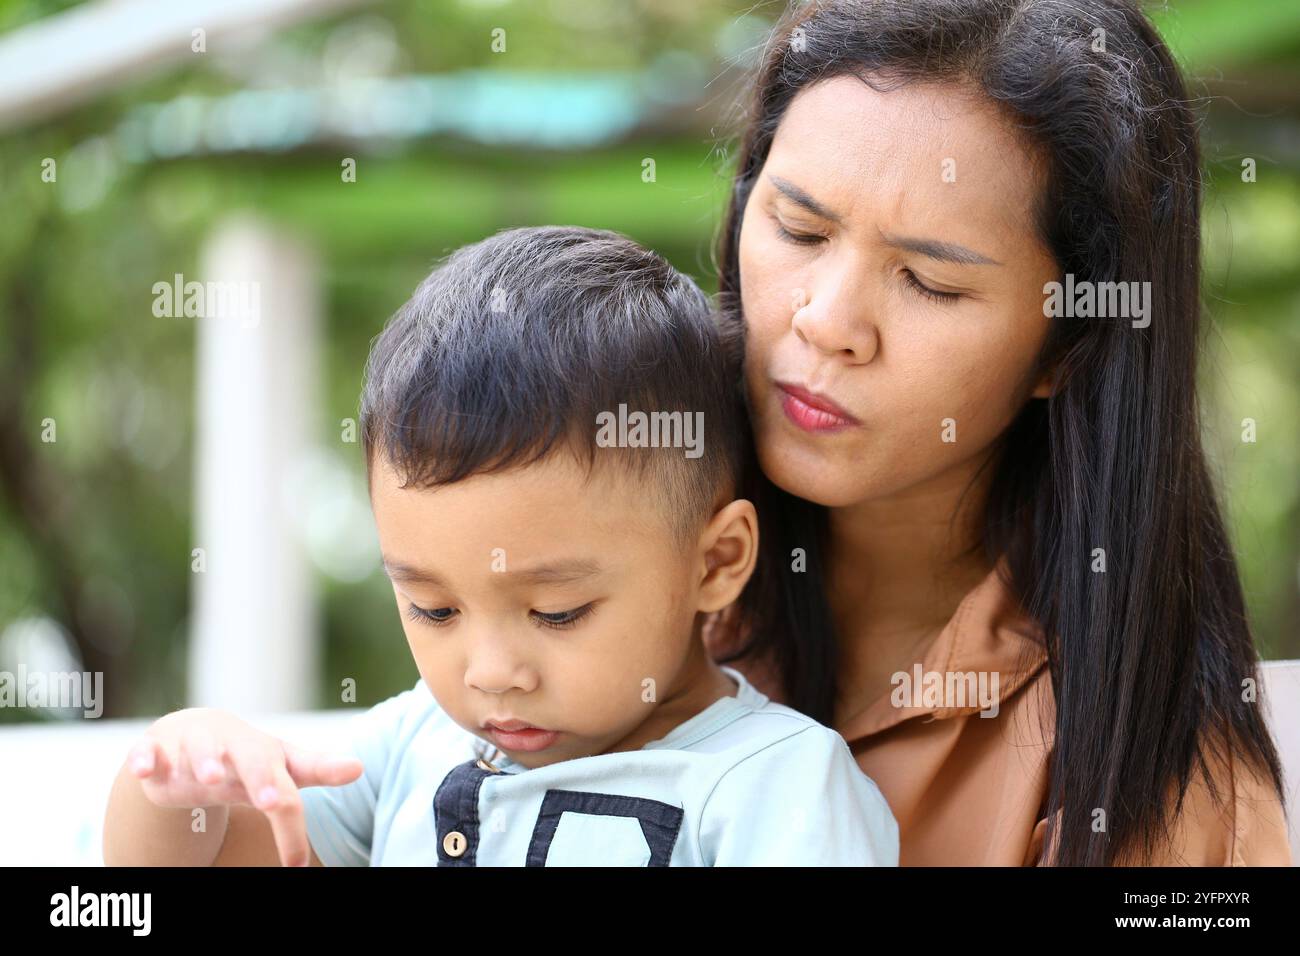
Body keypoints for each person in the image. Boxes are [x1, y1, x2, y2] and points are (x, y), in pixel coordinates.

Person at [102, 225, 899, 867]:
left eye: (556, 612)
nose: (489, 673)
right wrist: (176, 788)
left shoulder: (776, 788)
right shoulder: (411, 745)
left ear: (716, 562)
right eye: (433, 607)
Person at [703, 0, 1292, 865]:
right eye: (799, 229)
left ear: (1068, 343)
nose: (827, 322)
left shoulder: (1155, 777)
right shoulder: (632, 586)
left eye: (931, 281)